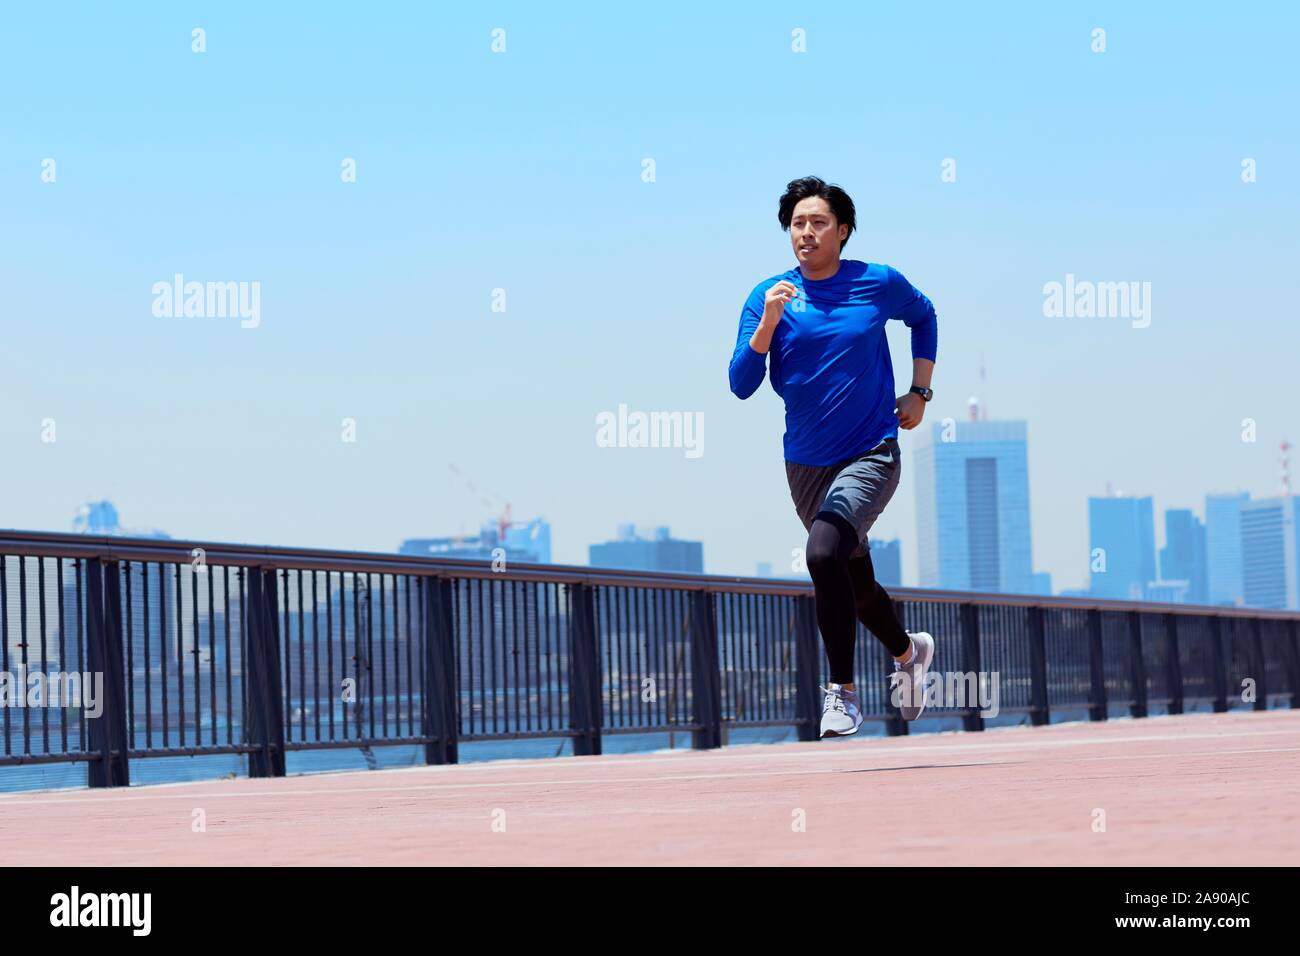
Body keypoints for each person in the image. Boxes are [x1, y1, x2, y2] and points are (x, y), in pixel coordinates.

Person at [728, 176, 939, 737]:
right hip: (805, 462)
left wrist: (919, 392)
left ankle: (841, 694)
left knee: (821, 553)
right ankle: (908, 651)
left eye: (818, 222)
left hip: (872, 450)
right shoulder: (766, 296)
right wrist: (768, 324)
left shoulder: (876, 283)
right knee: (853, 577)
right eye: (797, 223)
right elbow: (740, 384)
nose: (806, 232)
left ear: (843, 231)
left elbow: (924, 316)